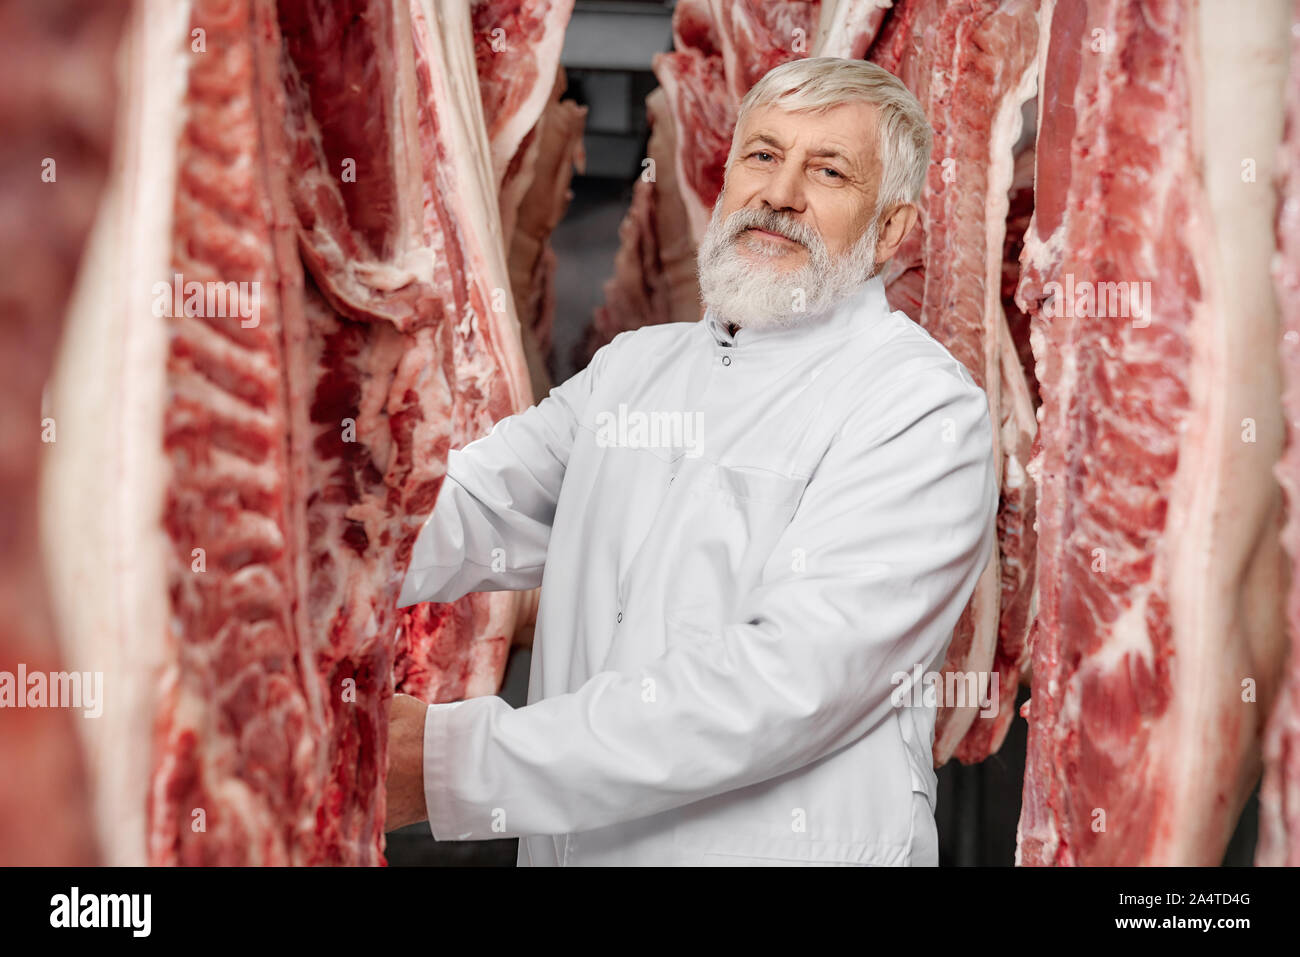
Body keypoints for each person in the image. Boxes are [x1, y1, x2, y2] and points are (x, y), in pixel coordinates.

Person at [384, 56, 997, 866]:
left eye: (829, 170)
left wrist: (447, 764)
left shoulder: (920, 407)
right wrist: (268, 572)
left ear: (889, 230)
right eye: (763, 155)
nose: (780, 193)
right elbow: (460, 509)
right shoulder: (637, 370)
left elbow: (786, 684)